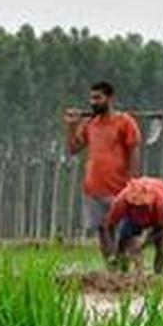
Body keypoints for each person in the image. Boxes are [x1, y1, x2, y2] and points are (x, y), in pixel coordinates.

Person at [63, 81, 142, 266]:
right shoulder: (90, 123)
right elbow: (73, 149)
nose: (93, 102)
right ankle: (111, 269)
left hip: (119, 187)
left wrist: (134, 183)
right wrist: (70, 127)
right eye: (91, 98)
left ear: (109, 99)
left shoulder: (125, 122)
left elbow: (134, 151)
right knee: (103, 230)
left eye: (98, 98)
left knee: (125, 231)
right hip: (94, 187)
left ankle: (135, 269)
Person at [104, 176, 163, 274]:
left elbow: (162, 227)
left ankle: (159, 274)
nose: (139, 208)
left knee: (161, 246)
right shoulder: (121, 200)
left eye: (142, 206)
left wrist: (142, 244)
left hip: (156, 219)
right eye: (135, 205)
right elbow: (110, 225)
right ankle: (122, 272)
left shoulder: (160, 203)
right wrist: (113, 250)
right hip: (132, 218)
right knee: (123, 242)